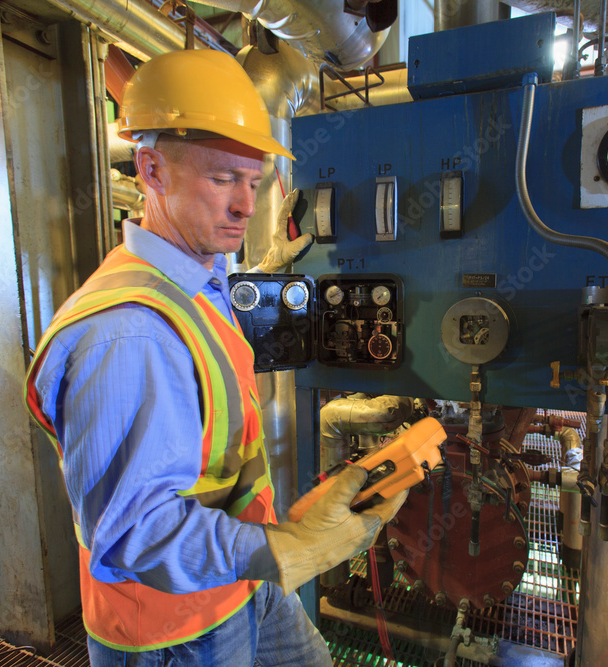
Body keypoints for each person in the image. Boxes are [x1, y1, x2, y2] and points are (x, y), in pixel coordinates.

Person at [24, 49, 406, 666]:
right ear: (151, 170)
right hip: (172, 628)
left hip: (236, 580)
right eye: (223, 179)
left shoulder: (199, 286)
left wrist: (279, 541)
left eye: (253, 182)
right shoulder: (130, 334)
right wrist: (286, 548)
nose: (246, 206)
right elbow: (131, 532)